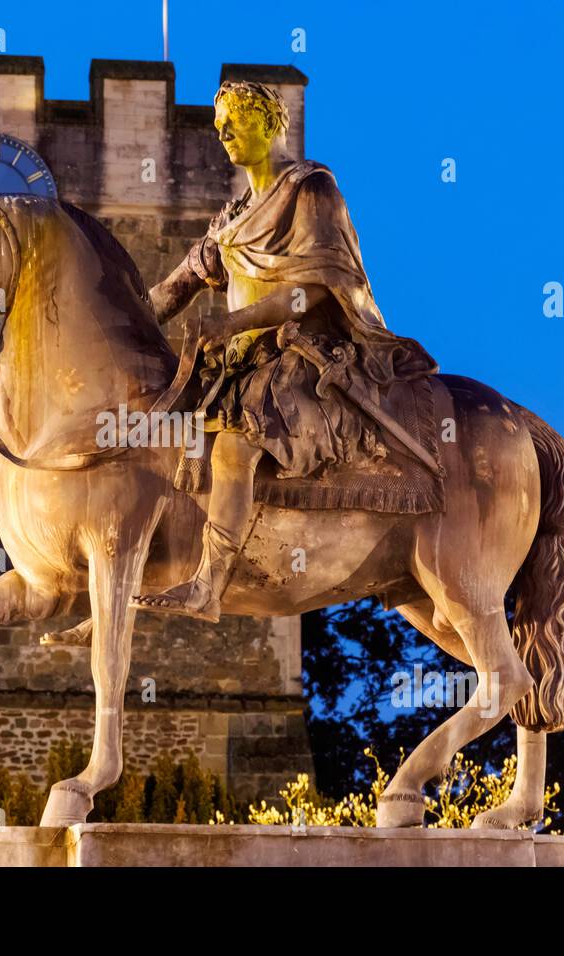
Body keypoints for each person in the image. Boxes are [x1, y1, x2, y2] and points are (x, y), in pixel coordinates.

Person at [132, 80, 435, 621]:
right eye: (218, 122)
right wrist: (116, 318)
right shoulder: (229, 222)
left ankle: (208, 585)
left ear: (272, 124)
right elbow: (170, 292)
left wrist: (235, 321)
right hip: (235, 364)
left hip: (302, 355)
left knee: (235, 447)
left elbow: (313, 290)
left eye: (236, 119)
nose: (223, 131)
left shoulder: (311, 191)